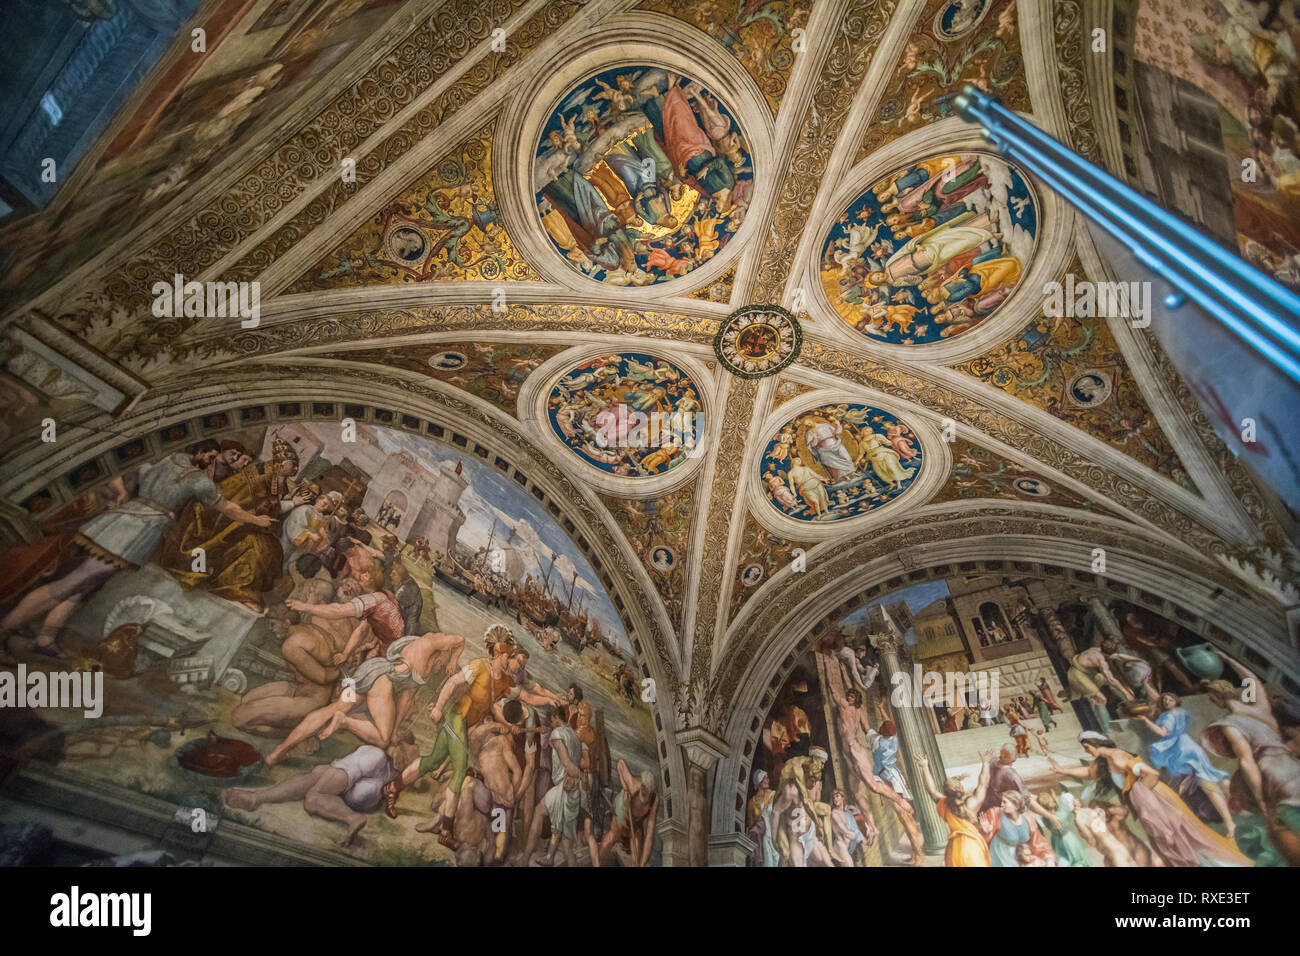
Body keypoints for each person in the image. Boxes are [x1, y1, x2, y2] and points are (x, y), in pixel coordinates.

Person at [0, 440, 274, 656]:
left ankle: (45, 639)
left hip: (130, 520)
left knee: (84, 588)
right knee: (73, 582)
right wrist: (255, 519)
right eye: (210, 456)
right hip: (134, 530)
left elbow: (125, 467)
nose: (211, 462)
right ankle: (4, 629)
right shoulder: (197, 479)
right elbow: (226, 507)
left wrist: (121, 492)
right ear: (201, 451)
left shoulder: (166, 458)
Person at [1048, 732, 1251, 866]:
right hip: (1146, 801)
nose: (1087, 752)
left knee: (1173, 834)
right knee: (1166, 838)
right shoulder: (1105, 760)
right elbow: (1088, 772)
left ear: (1093, 744)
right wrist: (1061, 770)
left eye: (1087, 747)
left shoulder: (1117, 756)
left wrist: (1140, 794)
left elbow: (1150, 773)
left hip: (1154, 800)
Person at [222, 734, 417, 847]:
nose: (405, 758)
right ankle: (259, 797)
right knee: (318, 776)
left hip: (365, 784)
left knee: (314, 795)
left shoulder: (377, 755)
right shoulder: (404, 766)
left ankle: (352, 818)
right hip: (366, 796)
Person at [1200, 649, 1300, 865]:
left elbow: (1247, 762)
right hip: (1291, 764)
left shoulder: (1230, 725)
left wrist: (1261, 799)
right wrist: (1227, 658)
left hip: (1270, 770)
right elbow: (1251, 678)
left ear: (1216, 698)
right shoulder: (1260, 709)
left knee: (1288, 825)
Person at [1137, 691, 1235, 840]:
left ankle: (1221, 823)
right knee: (1200, 781)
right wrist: (1147, 685)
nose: (1167, 702)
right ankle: (1221, 821)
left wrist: (1145, 720)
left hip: (1181, 750)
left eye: (1170, 699)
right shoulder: (1181, 712)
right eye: (1165, 701)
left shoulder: (1169, 716)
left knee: (1194, 784)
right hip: (1189, 746)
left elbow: (1163, 733)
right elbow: (1160, 698)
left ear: (1175, 700)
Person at [915, 751, 994, 866]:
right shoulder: (971, 803)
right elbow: (983, 784)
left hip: (954, 847)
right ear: (961, 788)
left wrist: (925, 767)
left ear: (946, 792)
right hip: (972, 846)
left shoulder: (944, 804)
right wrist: (985, 764)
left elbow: (931, 790)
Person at [597, 758, 659, 867]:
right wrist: (625, 788)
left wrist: (642, 864)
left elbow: (649, 834)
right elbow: (620, 763)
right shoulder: (633, 785)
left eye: (648, 794)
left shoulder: (654, 800)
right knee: (613, 837)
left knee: (636, 860)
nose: (646, 798)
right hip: (623, 808)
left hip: (636, 823)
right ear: (642, 787)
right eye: (644, 793)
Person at [982, 790, 1056, 867]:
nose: (1001, 805)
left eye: (1005, 802)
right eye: (1002, 802)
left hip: (1024, 855)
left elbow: (1037, 842)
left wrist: (1048, 858)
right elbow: (983, 841)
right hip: (1003, 857)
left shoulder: (1027, 818)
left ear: (1016, 805)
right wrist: (987, 832)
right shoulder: (996, 814)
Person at [1036, 789, 1091, 866]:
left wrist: (1055, 799)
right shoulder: (1061, 813)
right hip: (1067, 839)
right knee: (1076, 859)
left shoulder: (1044, 818)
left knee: (1064, 859)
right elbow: (1057, 810)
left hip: (1056, 840)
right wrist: (1055, 799)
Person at [389, 562, 424, 637]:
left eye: (394, 574)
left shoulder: (404, 591)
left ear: (401, 576)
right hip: (410, 625)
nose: (390, 575)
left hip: (408, 629)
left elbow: (391, 609)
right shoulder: (410, 581)